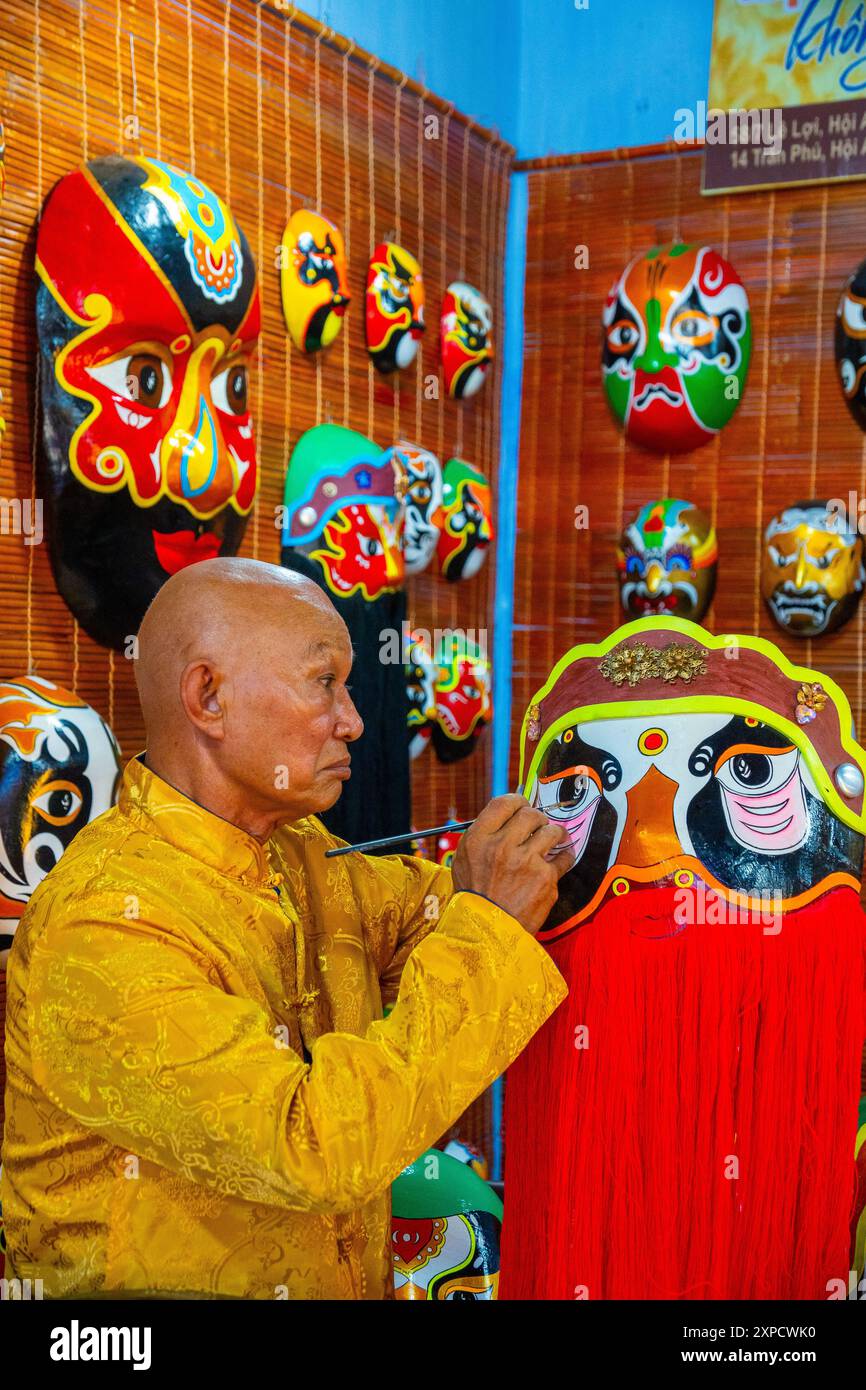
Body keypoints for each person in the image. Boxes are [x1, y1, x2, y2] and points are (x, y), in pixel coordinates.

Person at [1, 558, 571, 1299]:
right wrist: (491, 924)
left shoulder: (297, 848)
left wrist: (514, 882)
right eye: (324, 682)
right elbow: (313, 1147)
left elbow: (430, 912)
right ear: (209, 697)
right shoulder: (105, 921)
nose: (354, 721)